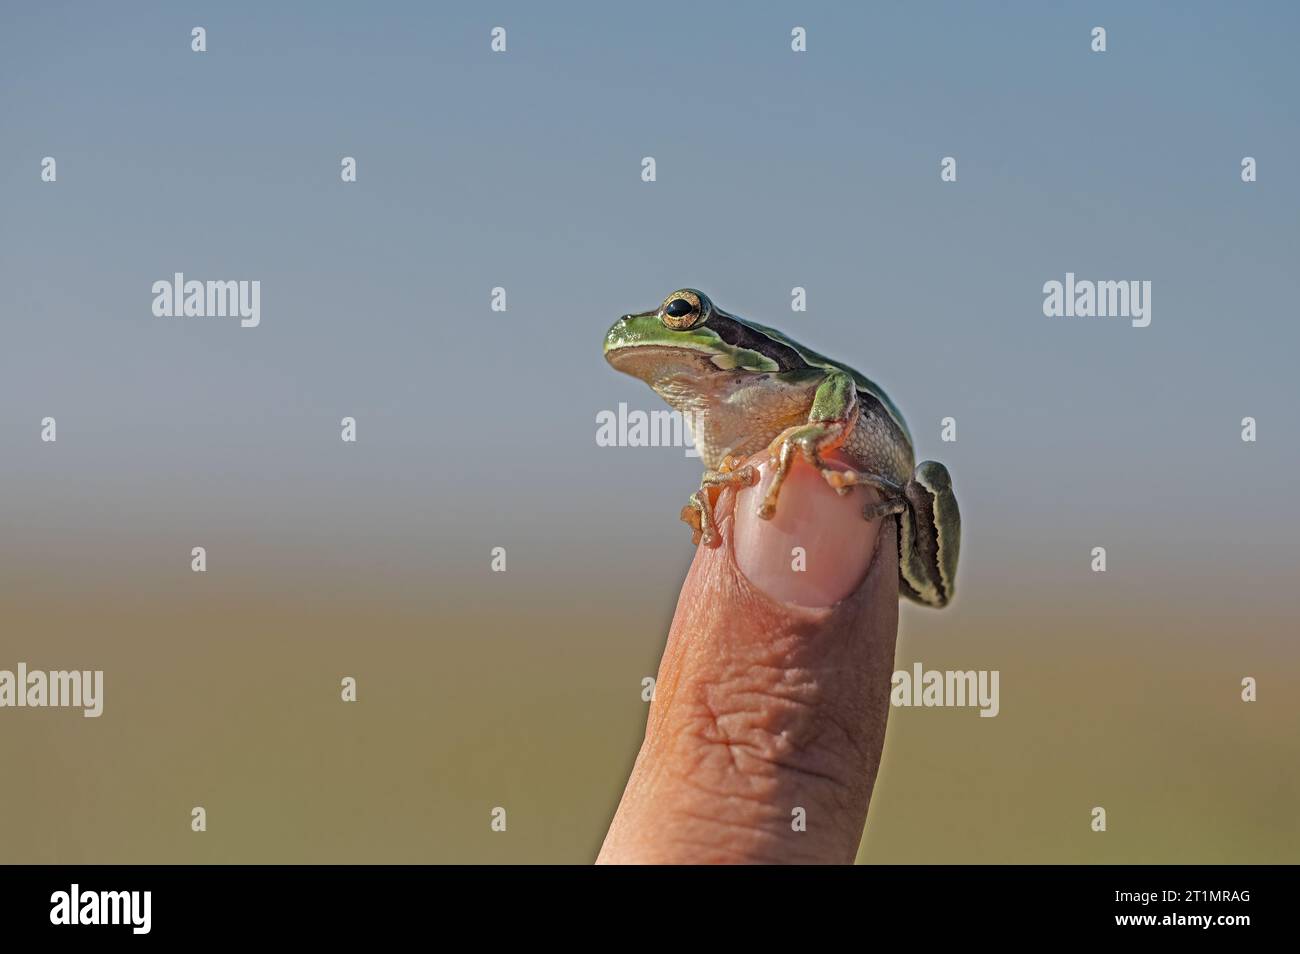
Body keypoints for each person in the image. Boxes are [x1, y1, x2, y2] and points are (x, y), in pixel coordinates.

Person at [598, 451, 900, 864]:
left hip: (893, 491)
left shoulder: (787, 390)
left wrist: (809, 447)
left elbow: (838, 388)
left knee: (931, 478)